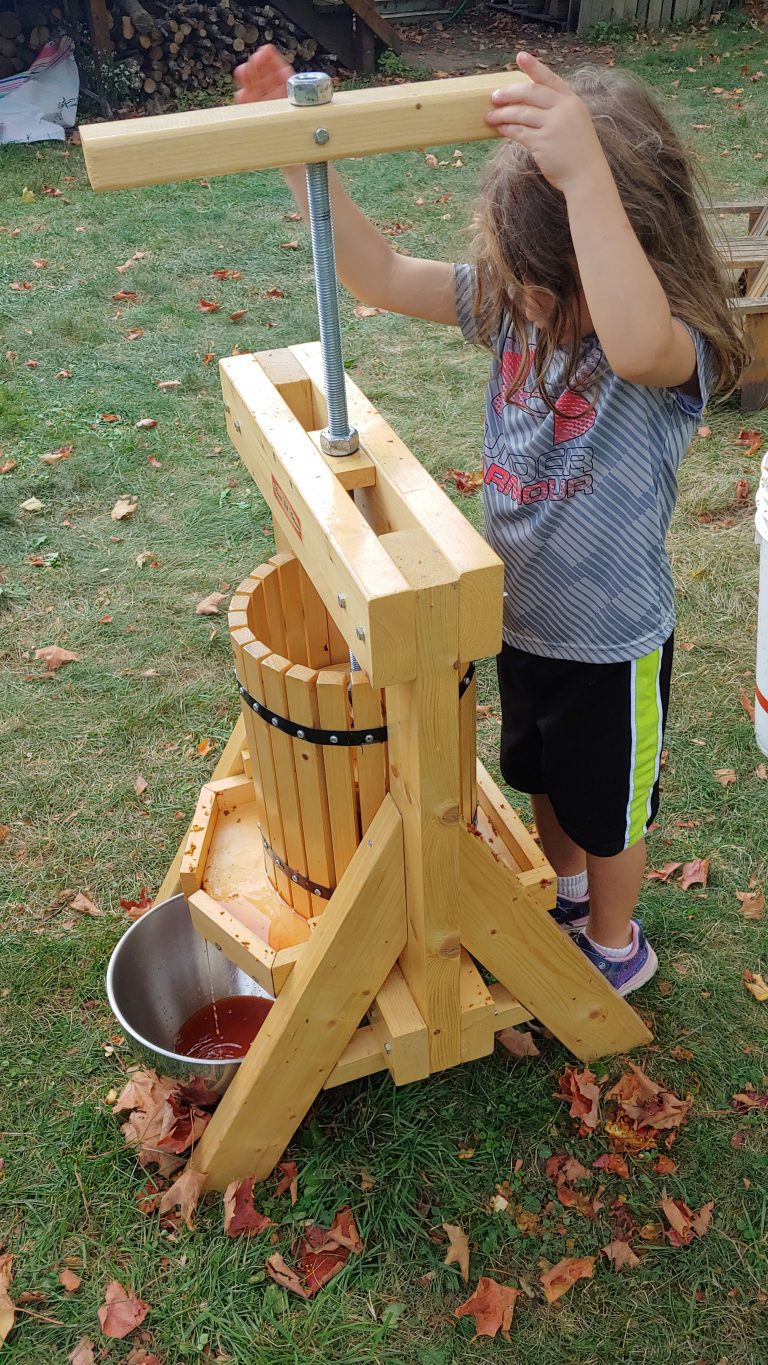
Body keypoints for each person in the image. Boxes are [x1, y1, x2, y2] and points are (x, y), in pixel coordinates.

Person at [234, 46, 747, 995]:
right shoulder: (516, 307)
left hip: (610, 643)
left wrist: (585, 168)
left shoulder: (674, 351)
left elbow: (632, 339)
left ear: (633, 244)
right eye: (524, 282)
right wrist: (301, 156)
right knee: (541, 779)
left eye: (557, 286)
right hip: (518, 619)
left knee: (609, 814)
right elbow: (380, 274)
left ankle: (616, 937)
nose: (535, 304)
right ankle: (562, 892)